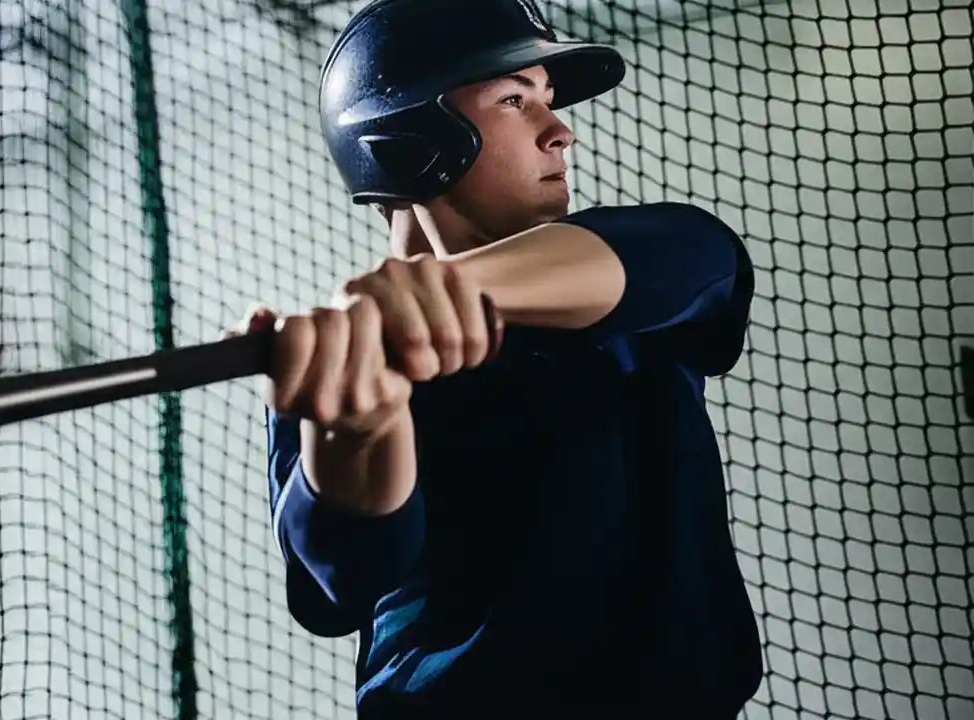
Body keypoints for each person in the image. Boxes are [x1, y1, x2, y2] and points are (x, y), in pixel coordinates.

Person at [231, 0, 764, 716]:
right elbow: (341, 587)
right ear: (409, 141)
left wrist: (442, 291)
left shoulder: (640, 278)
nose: (559, 130)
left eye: (546, 99)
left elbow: (705, 257)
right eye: (515, 100)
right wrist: (357, 429)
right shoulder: (338, 367)